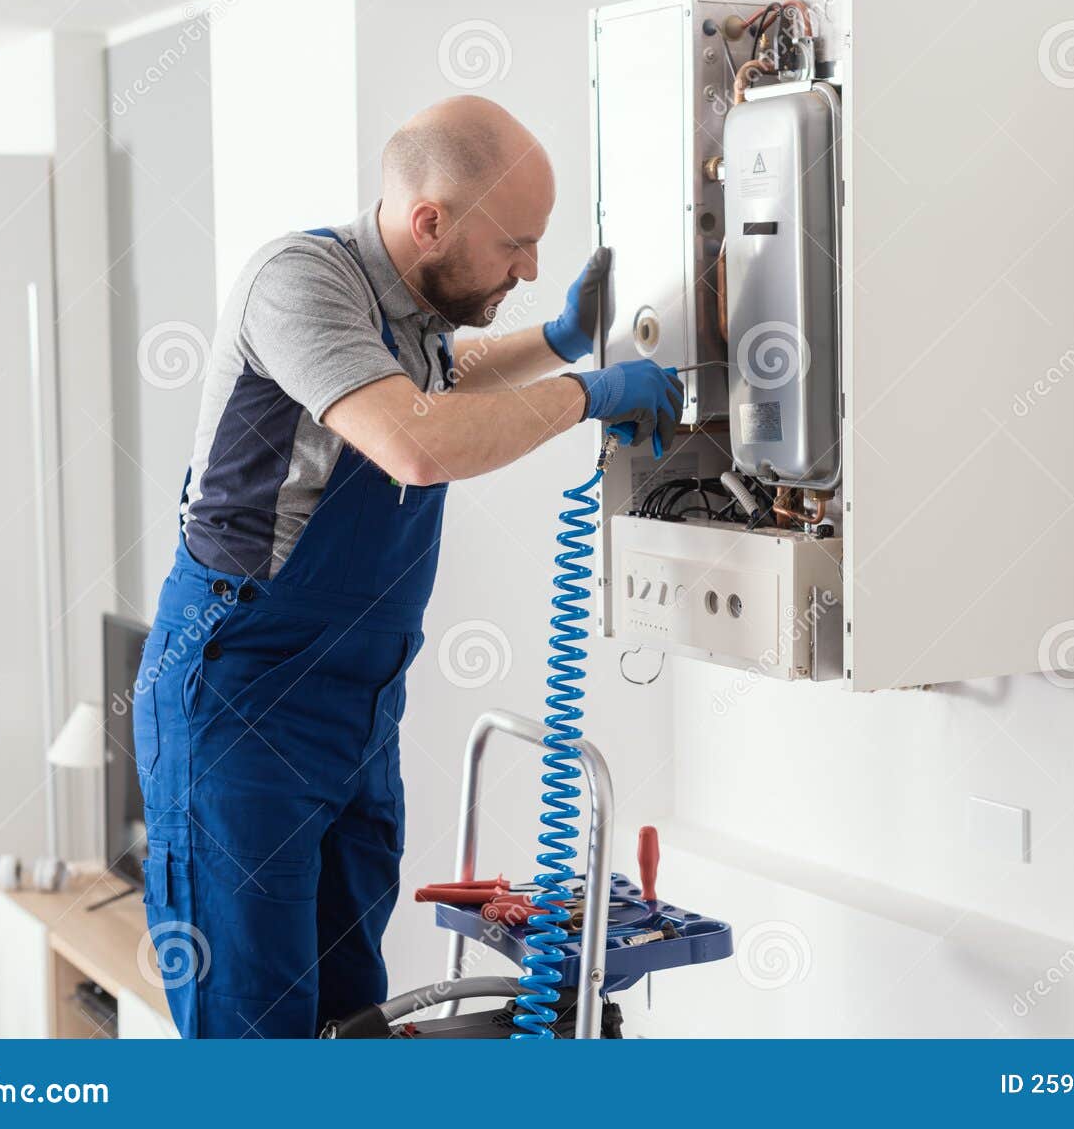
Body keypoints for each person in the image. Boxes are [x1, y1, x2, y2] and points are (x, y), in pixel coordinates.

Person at [133, 95, 682, 1037]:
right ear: (430, 223)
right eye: (515, 244)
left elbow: (444, 379)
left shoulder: (415, 314)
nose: (530, 267)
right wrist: (586, 392)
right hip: (241, 704)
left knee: (354, 1019)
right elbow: (416, 440)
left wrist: (555, 339)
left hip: (357, 709)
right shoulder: (299, 282)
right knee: (253, 1030)